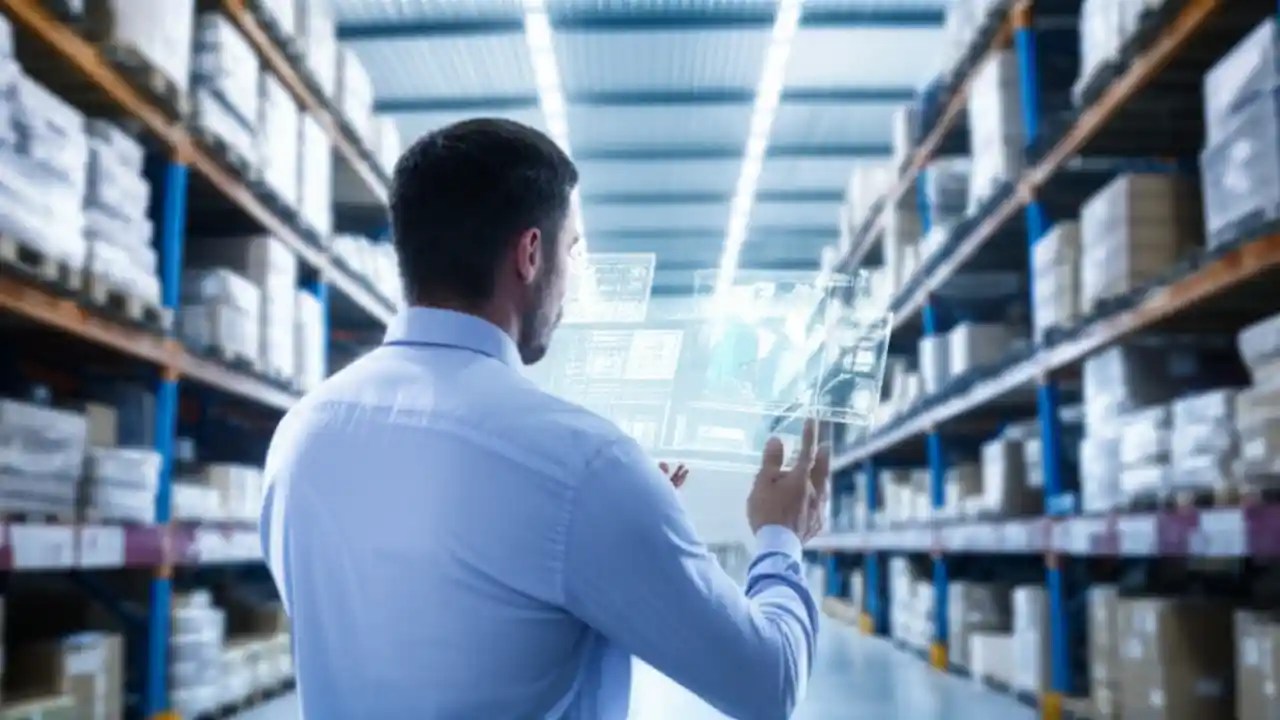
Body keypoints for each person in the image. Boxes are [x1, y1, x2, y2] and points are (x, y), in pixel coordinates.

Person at [259, 118, 830, 719]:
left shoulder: (301, 435)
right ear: (531, 253)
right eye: (571, 250)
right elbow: (768, 685)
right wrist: (780, 535)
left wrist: (608, 527)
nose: (570, 282)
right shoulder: (584, 466)